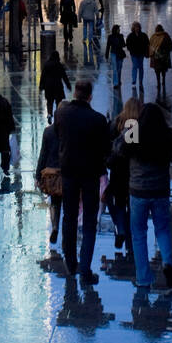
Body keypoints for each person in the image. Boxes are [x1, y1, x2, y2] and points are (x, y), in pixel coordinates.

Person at [55, 79, 111, 284]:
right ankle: (85, 268)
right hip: (90, 174)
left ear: (75, 94)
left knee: (68, 217)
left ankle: (70, 262)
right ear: (90, 96)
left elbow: (57, 135)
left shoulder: (62, 114)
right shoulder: (97, 120)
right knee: (88, 222)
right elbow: (106, 149)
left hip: (69, 173)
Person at [129, 101, 172, 289]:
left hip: (138, 190)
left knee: (139, 234)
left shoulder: (134, 133)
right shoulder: (169, 136)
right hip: (160, 190)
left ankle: (143, 277)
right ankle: (167, 262)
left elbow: (119, 149)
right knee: (163, 229)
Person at [106, 95, 142, 253]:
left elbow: (108, 146)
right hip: (134, 172)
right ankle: (129, 237)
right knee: (132, 205)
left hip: (117, 171)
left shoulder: (117, 123)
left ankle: (120, 229)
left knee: (118, 202)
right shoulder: (138, 126)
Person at [35, 117, 63, 247]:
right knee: (69, 204)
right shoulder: (69, 130)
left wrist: (38, 175)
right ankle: (67, 233)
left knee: (54, 202)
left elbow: (43, 154)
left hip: (52, 173)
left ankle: (55, 226)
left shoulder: (48, 131)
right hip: (67, 173)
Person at [39, 49, 71, 122]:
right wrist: (68, 85)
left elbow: (43, 76)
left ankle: (49, 114)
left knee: (49, 101)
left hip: (48, 86)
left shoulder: (46, 64)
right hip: (58, 86)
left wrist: (41, 86)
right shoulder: (59, 65)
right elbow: (64, 76)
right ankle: (57, 114)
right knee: (58, 101)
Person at [149, 24, 172, 99]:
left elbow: (150, 46)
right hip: (164, 58)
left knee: (157, 71)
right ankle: (163, 81)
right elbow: (170, 45)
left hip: (156, 58)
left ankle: (158, 83)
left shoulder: (153, 36)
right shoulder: (166, 36)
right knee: (163, 70)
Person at [104, 24, 127, 88]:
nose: (119, 30)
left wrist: (123, 44)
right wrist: (106, 54)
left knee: (119, 69)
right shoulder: (110, 37)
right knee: (115, 69)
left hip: (120, 54)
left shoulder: (121, 36)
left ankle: (118, 80)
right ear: (115, 30)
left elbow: (124, 44)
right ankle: (115, 83)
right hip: (113, 53)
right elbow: (108, 46)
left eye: (119, 29)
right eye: (118, 29)